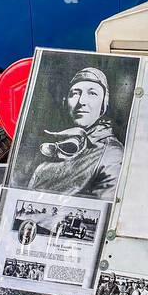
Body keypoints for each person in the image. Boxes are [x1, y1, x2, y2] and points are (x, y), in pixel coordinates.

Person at [28, 66, 124, 200]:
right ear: (65, 102)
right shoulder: (50, 144)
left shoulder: (111, 153)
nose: (82, 102)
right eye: (75, 93)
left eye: (92, 93)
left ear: (104, 104)